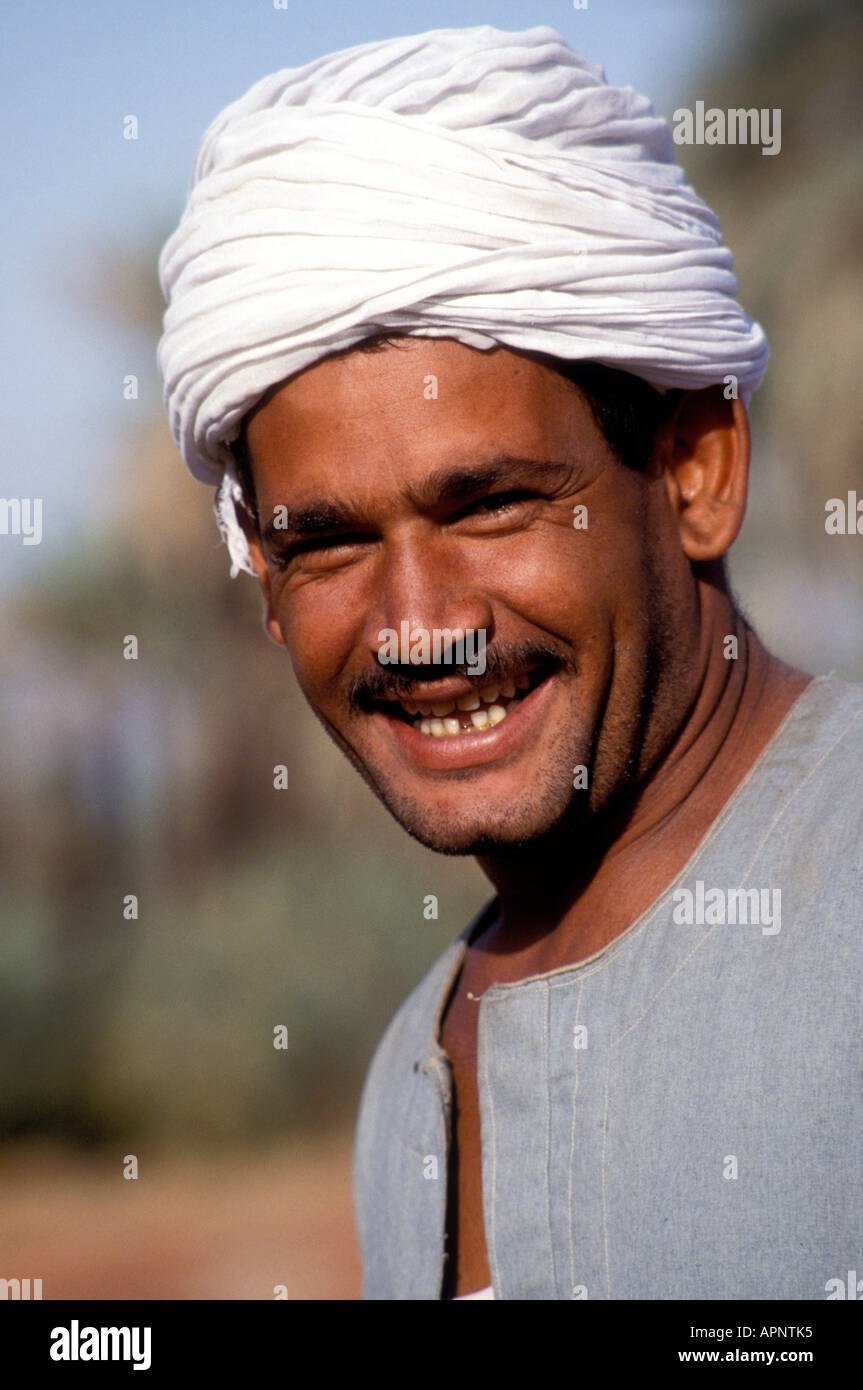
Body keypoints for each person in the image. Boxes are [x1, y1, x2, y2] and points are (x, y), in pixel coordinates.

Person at [158, 26, 863, 1300]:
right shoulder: (407, 1084)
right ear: (260, 577)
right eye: (322, 542)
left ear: (695, 470)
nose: (419, 623)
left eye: (489, 506)